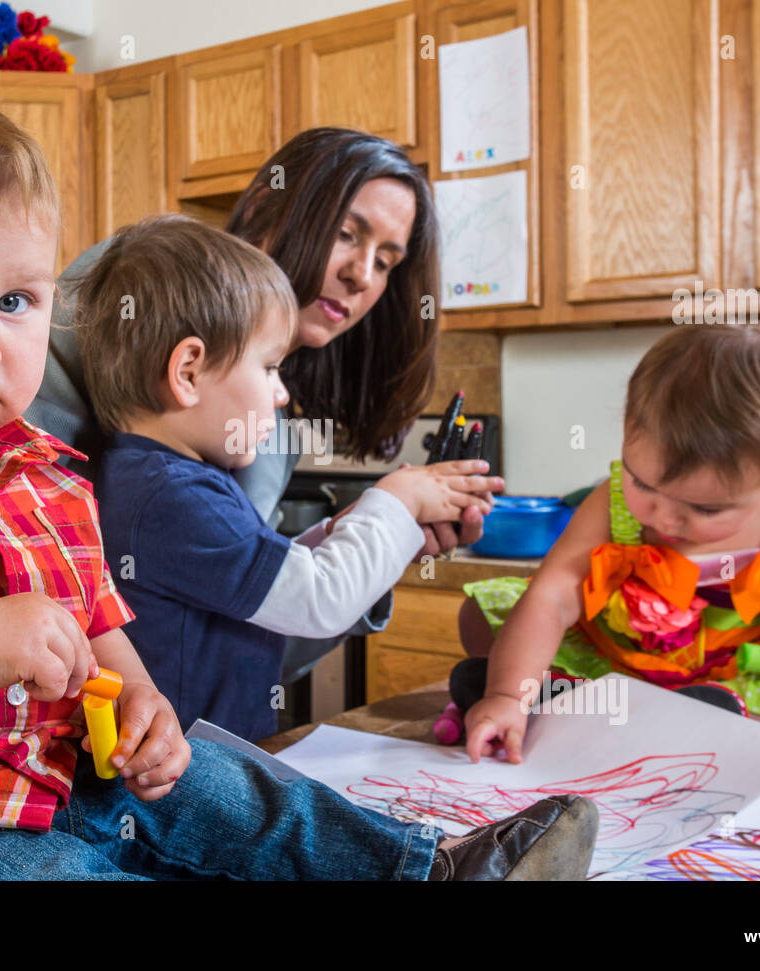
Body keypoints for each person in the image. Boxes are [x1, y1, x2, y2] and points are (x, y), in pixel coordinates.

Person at [0, 77, 599, 881]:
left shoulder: (46, 476)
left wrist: (147, 704)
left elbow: (99, 624)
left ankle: (422, 869)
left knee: (225, 783)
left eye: (15, 302)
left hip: (43, 785)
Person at [25, 128, 485, 683]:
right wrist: (374, 528)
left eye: (386, 262)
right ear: (269, 206)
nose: (362, 275)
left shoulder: (270, 423)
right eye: (344, 233)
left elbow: (242, 615)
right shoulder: (143, 291)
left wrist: (370, 545)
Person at [75, 215, 500, 741]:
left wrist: (345, 530)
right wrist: (397, 501)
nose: (281, 395)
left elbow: (259, 575)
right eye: (271, 367)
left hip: (208, 764)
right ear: (188, 372)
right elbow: (318, 600)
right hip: (193, 779)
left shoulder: (159, 478)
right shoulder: (173, 495)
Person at [451, 325, 760, 764]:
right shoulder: (612, 499)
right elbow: (552, 595)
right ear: (627, 430)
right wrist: (508, 693)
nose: (663, 518)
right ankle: (553, 697)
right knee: (483, 613)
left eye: (705, 509)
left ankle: (698, 717)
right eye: (643, 483)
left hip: (742, 673)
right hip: (619, 663)